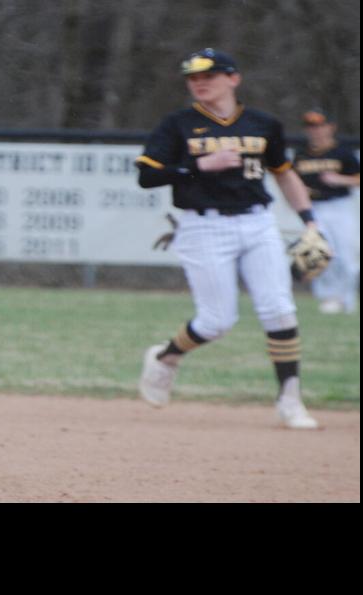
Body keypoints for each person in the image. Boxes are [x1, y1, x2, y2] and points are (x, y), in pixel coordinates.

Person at [135, 48, 323, 430]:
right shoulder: (178, 124)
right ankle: (166, 358)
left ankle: (290, 399)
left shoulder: (263, 123)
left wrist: (309, 221)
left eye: (209, 75)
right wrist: (199, 165)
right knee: (217, 321)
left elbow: (284, 174)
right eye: (193, 77)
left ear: (233, 79)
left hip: (258, 223)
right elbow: (147, 176)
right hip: (203, 226)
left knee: (279, 309)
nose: (199, 82)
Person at [294, 109, 360, 314]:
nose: (315, 131)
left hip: (339, 206)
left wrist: (340, 179)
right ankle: (328, 298)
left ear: (331, 127)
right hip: (314, 208)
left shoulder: (342, 152)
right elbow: (292, 181)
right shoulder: (301, 153)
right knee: (319, 252)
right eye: (311, 127)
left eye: (319, 126)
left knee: (347, 255)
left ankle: (347, 298)